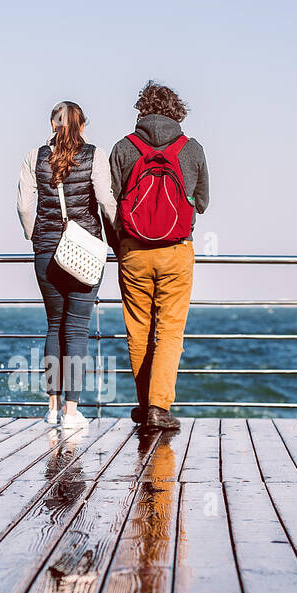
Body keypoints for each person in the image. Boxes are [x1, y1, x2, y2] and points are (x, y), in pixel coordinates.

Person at [109, 82, 209, 431]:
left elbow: (112, 201)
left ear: (142, 109)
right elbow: (204, 201)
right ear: (176, 111)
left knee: (138, 331)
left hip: (133, 251)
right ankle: (158, 407)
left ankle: (143, 404)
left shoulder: (124, 147)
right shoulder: (191, 149)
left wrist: (120, 240)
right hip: (176, 251)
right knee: (169, 332)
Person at [17, 101, 117, 428]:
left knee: (53, 325)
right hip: (84, 250)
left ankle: (51, 408)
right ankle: (72, 413)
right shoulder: (95, 155)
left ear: (52, 123)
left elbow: (24, 206)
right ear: (83, 125)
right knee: (76, 330)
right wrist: (116, 237)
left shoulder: (34, 157)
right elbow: (105, 200)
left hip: (46, 251)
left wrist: (35, 236)